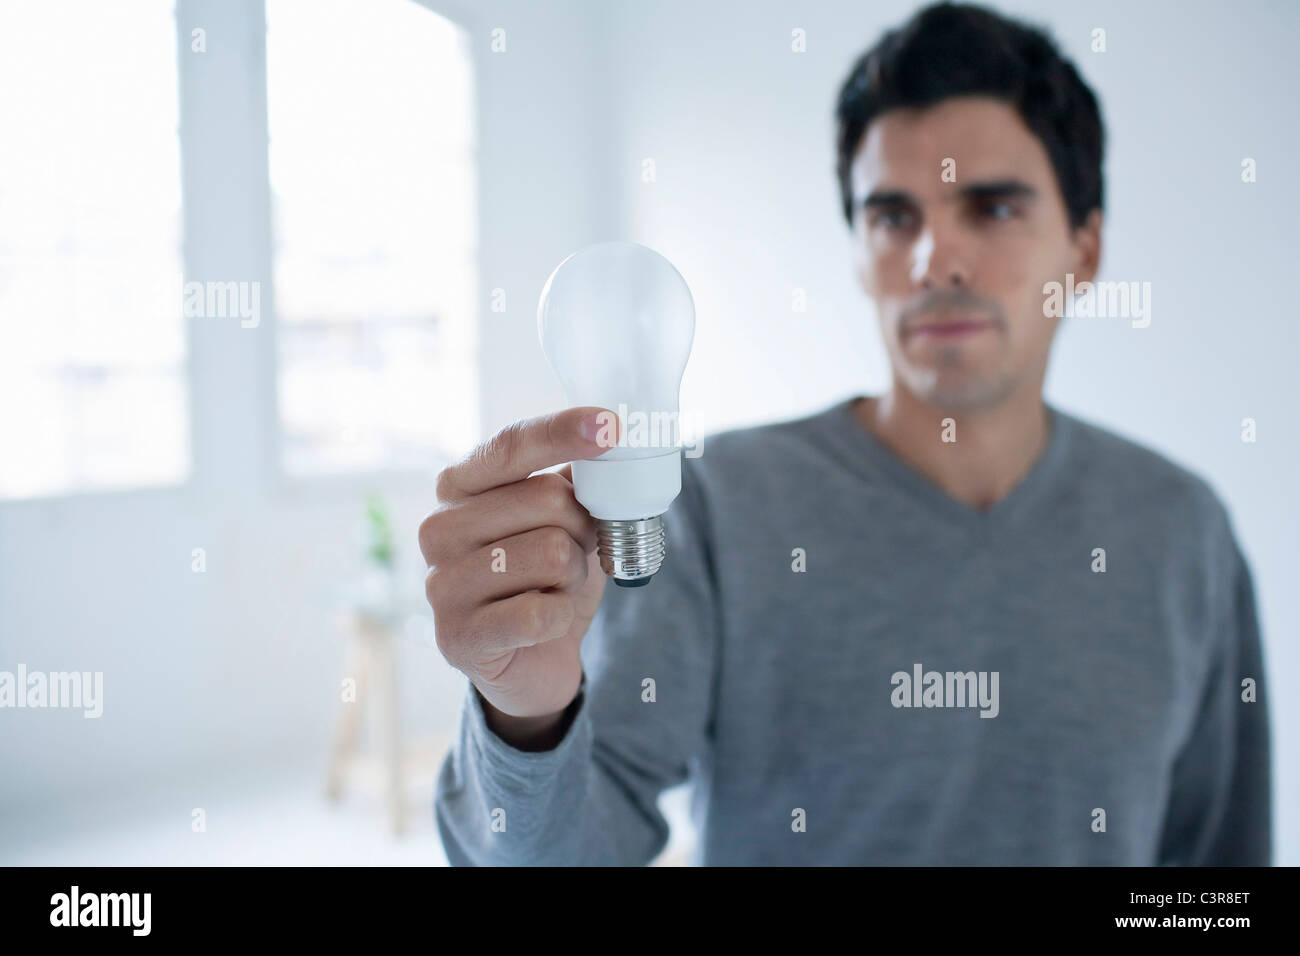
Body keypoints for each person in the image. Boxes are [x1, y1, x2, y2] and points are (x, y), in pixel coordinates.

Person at [420, 1, 1272, 865]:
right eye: (893, 215)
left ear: (1085, 251)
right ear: (860, 251)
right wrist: (525, 717)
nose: (933, 258)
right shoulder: (719, 511)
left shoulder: (1181, 533)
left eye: (993, 208)